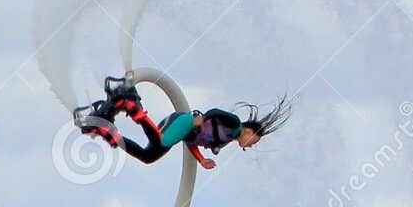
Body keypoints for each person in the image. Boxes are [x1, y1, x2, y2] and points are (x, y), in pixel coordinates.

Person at [76, 75, 290, 168]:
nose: (252, 145)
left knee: (148, 155)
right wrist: (202, 120)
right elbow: (215, 111)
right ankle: (133, 109)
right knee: (159, 143)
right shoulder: (234, 124)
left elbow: (192, 143)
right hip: (183, 122)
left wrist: (201, 160)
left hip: (181, 133)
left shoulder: (225, 141)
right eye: (255, 140)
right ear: (250, 130)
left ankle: (109, 133)